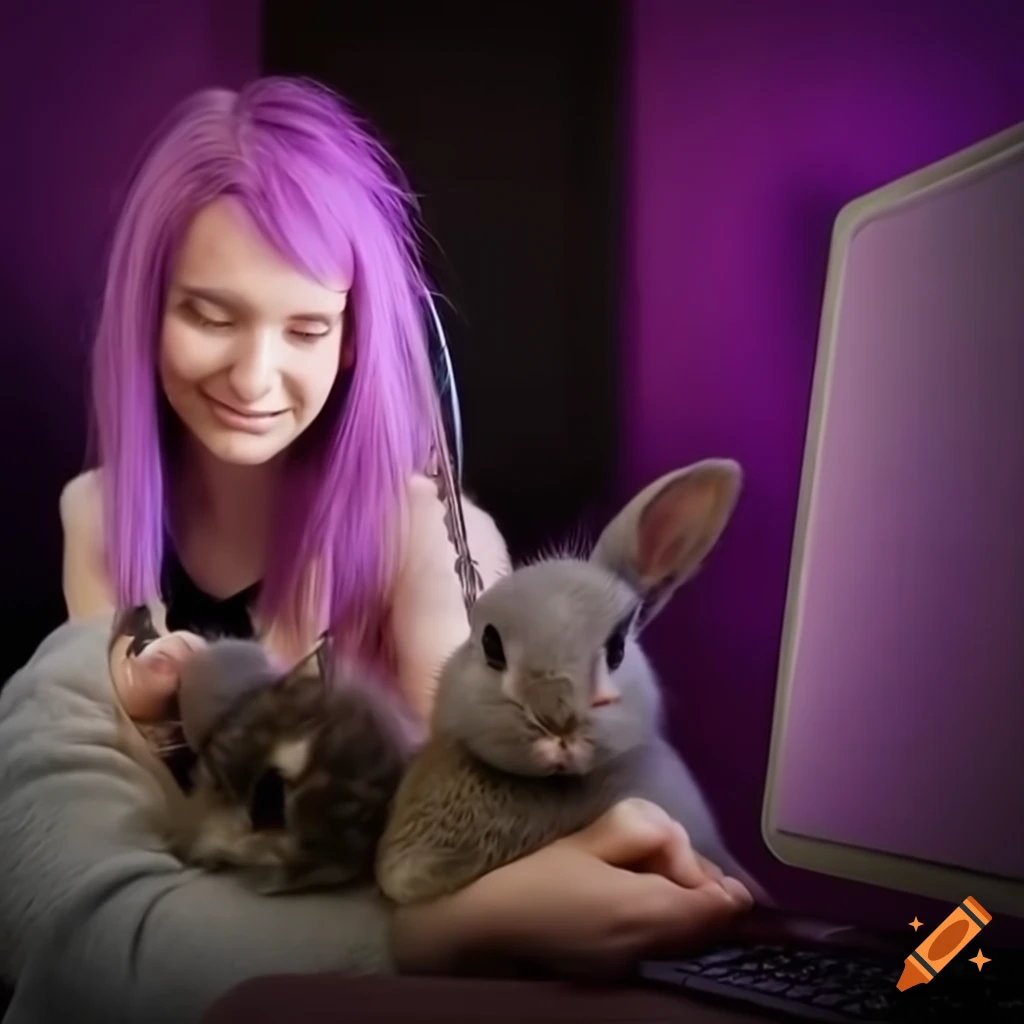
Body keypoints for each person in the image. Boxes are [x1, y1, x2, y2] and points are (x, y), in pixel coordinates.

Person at [0, 76, 751, 1023]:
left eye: (307, 326)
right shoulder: (98, 518)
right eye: (210, 315)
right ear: (146, 311)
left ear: (355, 338)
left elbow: (509, 801)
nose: (256, 375)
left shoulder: (425, 534)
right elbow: (111, 857)